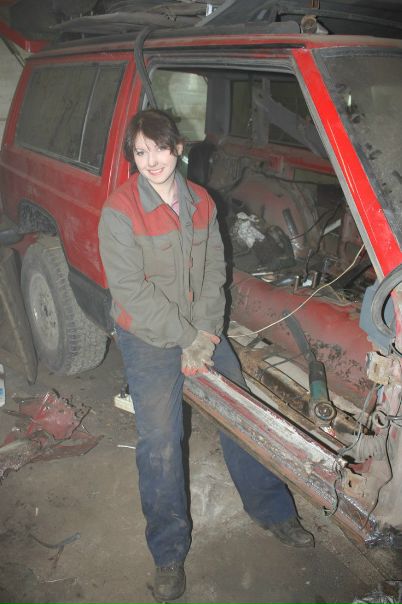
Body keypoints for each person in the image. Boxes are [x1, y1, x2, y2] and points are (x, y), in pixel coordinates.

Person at [98, 109, 314, 602]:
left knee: (243, 417)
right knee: (161, 441)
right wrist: (185, 338)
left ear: (178, 149)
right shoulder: (120, 210)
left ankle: (273, 512)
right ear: (133, 157)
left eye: (159, 148)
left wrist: (207, 333)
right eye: (140, 152)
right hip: (148, 336)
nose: (151, 160)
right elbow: (130, 291)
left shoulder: (202, 202)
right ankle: (168, 552)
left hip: (200, 328)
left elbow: (216, 269)